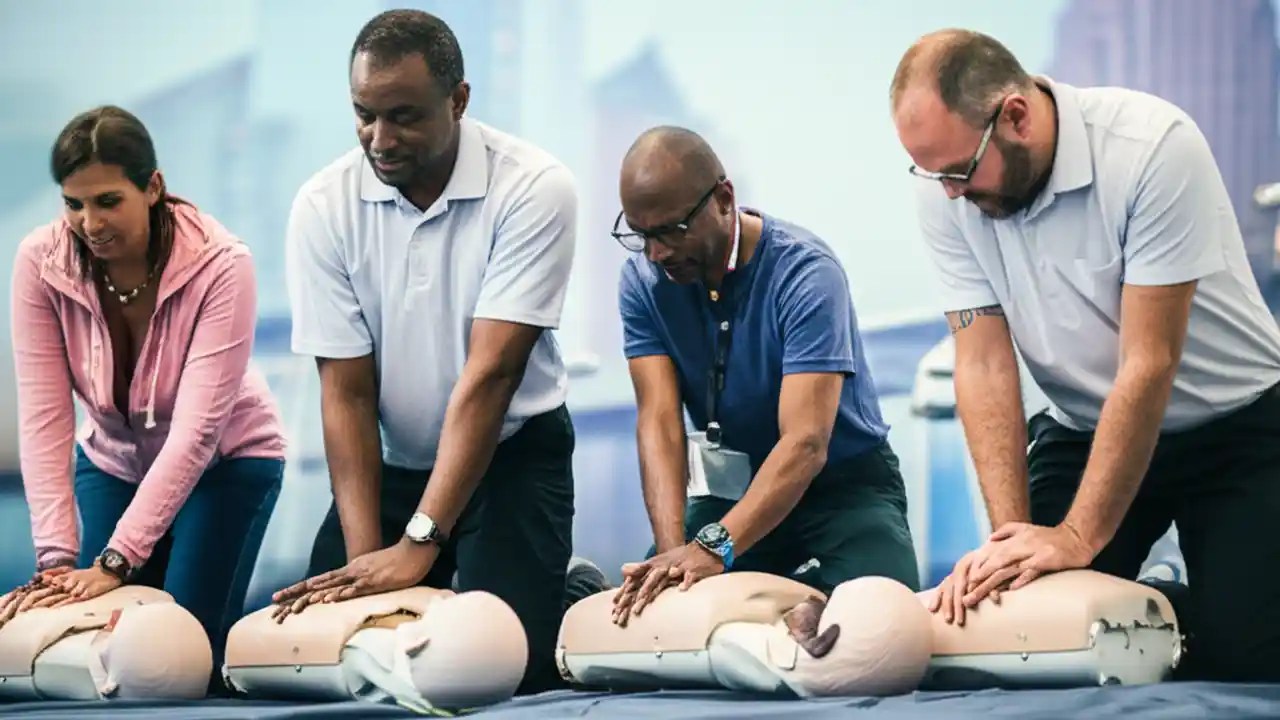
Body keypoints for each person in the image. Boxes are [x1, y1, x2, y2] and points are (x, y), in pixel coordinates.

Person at [890, 29, 1280, 682]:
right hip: (1082, 428)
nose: (950, 192)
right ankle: (1158, 600)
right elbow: (985, 365)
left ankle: (1188, 605)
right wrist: (1013, 542)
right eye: (934, 174)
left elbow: (1148, 362)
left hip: (1233, 429)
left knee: (1250, 658)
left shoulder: (1152, 147)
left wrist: (1076, 540)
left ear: (1014, 115)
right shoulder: (945, 190)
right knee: (1024, 631)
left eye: (959, 170)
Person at [273, 9, 604, 695]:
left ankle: (565, 593)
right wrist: (371, 565)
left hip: (512, 454)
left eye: (404, 116)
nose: (380, 139)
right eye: (364, 115)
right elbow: (347, 392)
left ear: (459, 101)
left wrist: (422, 544)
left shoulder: (535, 188)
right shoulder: (322, 206)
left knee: (504, 664)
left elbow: (492, 377)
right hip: (390, 463)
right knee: (329, 653)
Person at [2, 105, 287, 689]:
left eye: (108, 201)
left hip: (225, 464)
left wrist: (116, 558)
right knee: (99, 651)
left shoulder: (222, 264)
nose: (89, 222)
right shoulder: (40, 261)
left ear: (153, 187)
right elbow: (45, 418)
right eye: (73, 203)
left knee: (176, 657)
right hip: (113, 462)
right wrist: (57, 561)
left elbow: (195, 434)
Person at [609, 126, 920, 625]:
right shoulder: (643, 283)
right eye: (642, 235)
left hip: (844, 485)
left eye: (672, 230)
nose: (657, 254)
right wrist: (675, 556)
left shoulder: (806, 273)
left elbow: (805, 444)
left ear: (725, 199)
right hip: (735, 491)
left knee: (883, 626)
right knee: (659, 616)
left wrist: (716, 548)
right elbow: (659, 421)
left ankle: (809, 595)